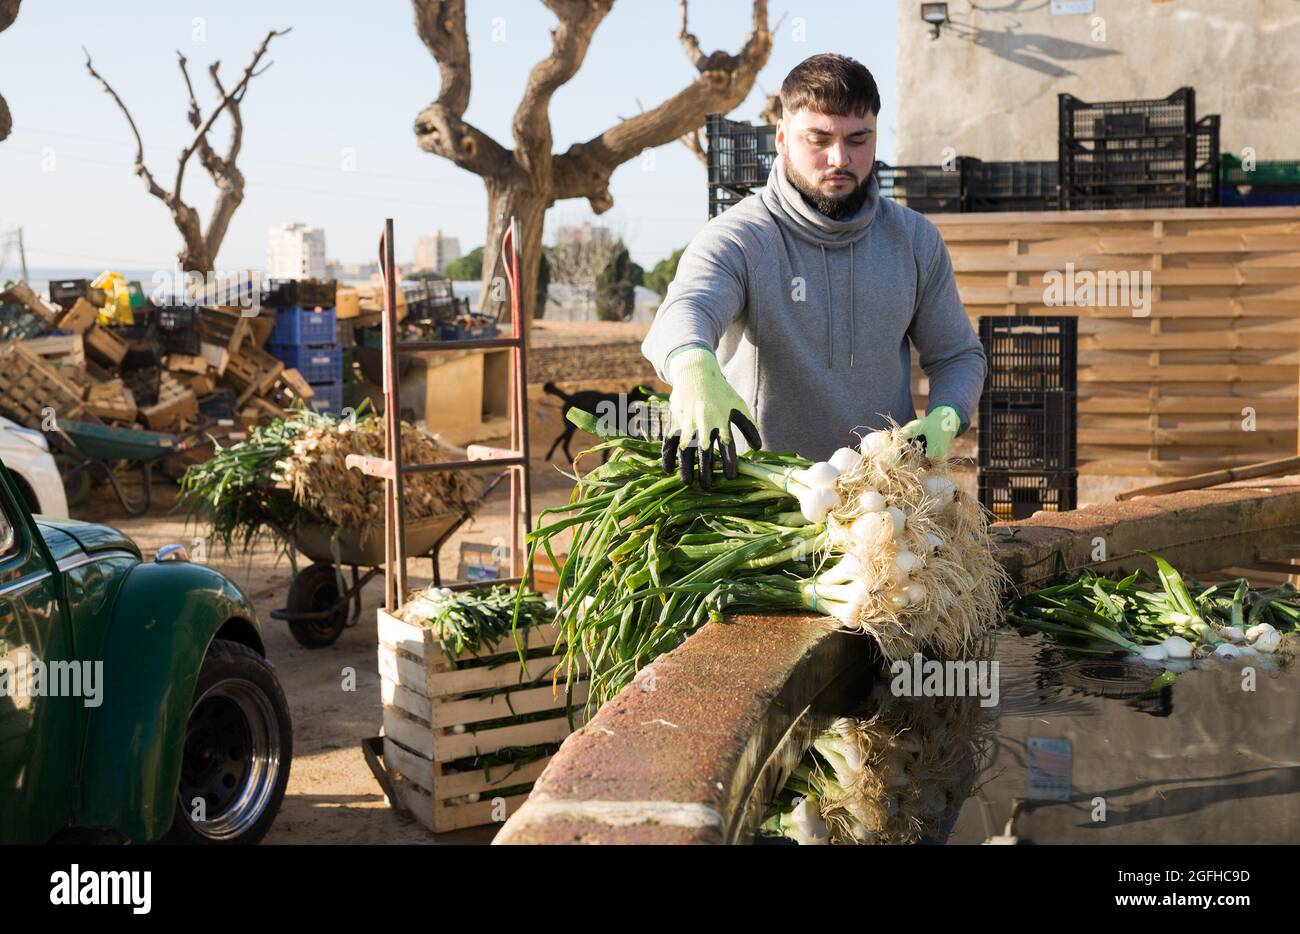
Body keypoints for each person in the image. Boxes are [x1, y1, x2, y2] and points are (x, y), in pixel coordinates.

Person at [642, 53, 987, 487]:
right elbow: (687, 306)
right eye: (818, 139)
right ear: (782, 138)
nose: (839, 158)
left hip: (884, 508)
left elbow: (958, 355)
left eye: (858, 139)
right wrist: (691, 362)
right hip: (762, 505)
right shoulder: (740, 237)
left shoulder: (915, 240)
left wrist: (947, 415)